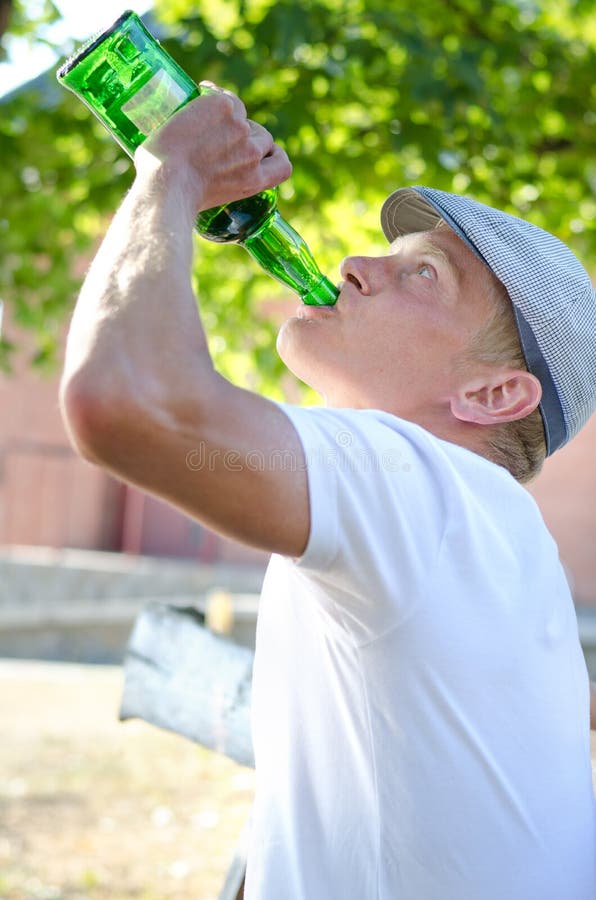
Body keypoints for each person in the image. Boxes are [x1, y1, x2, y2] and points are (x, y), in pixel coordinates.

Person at [60, 85, 596, 900]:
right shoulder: (498, 541)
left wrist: (169, 175)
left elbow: (126, 397)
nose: (352, 266)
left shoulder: (421, 484)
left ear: (493, 396)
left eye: (422, 273)